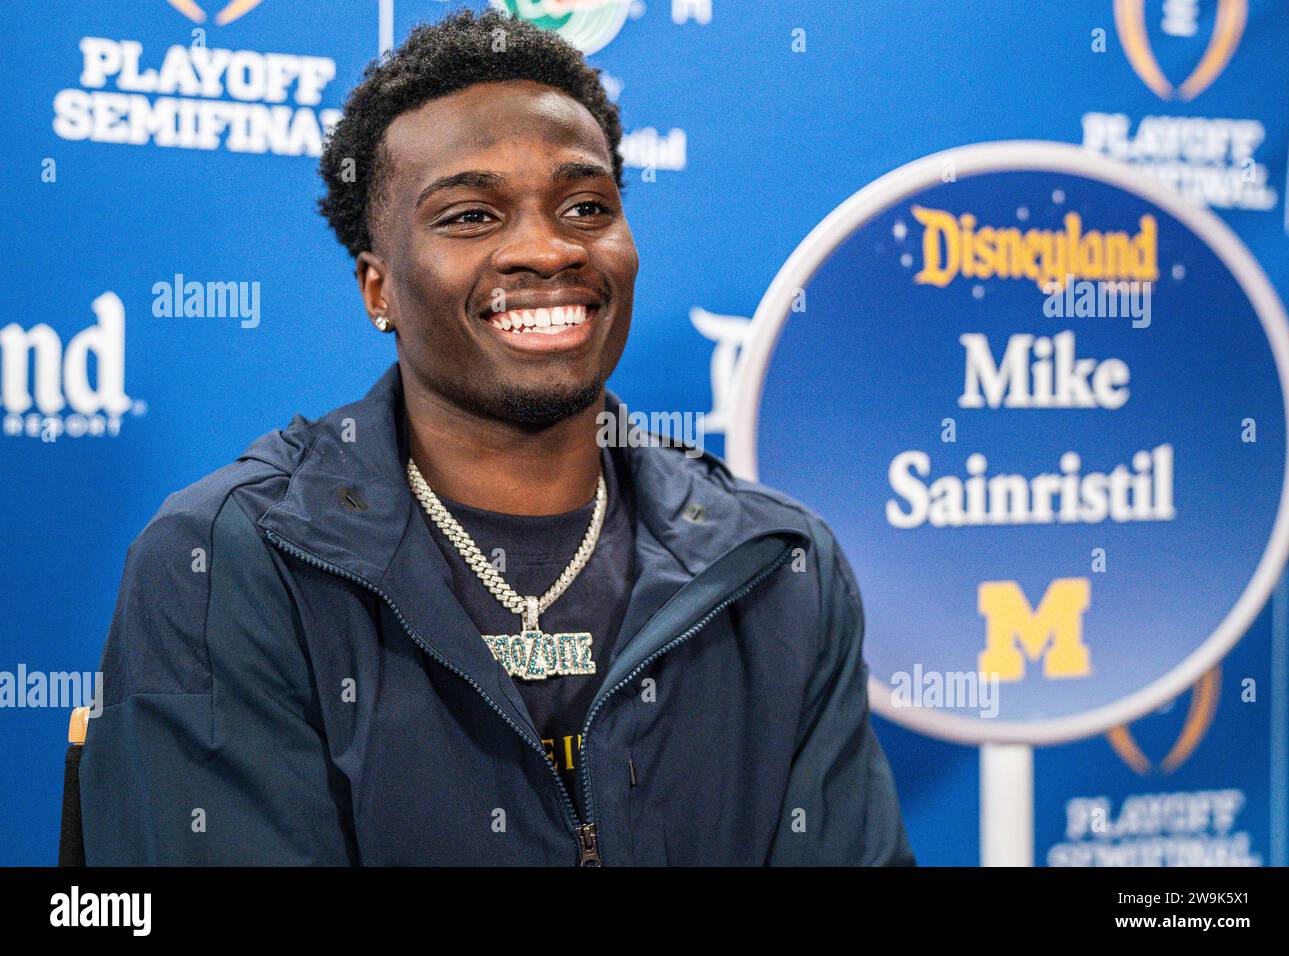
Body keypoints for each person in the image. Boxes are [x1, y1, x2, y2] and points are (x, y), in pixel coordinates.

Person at [79, 8, 914, 866]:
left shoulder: (778, 564)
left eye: (585, 205)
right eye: (472, 216)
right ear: (380, 291)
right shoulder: (232, 560)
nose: (548, 250)